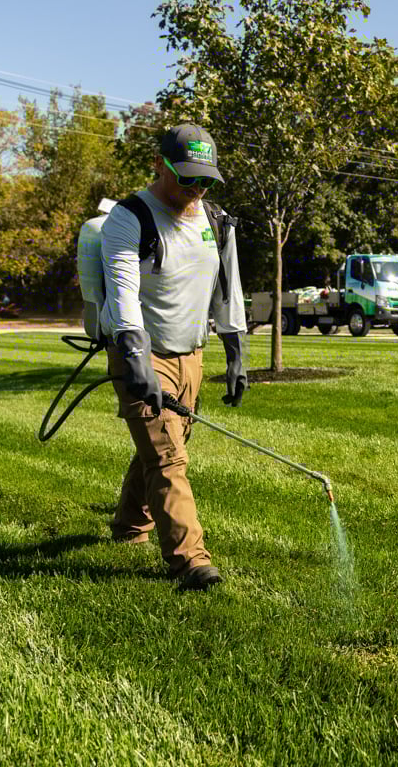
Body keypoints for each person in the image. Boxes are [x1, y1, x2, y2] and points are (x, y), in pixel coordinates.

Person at [98, 123, 248, 591]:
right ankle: (190, 561)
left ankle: (128, 525)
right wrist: (134, 355)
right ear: (161, 167)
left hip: (192, 355)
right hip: (142, 351)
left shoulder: (217, 220)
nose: (196, 188)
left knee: (163, 446)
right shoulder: (131, 217)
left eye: (204, 180)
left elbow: (228, 290)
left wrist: (235, 351)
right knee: (168, 458)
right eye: (187, 179)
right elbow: (122, 290)